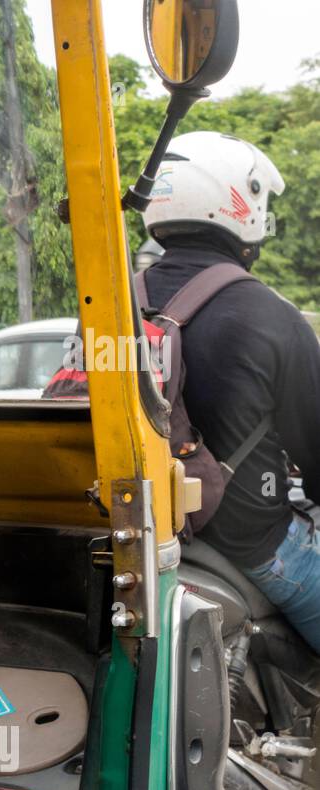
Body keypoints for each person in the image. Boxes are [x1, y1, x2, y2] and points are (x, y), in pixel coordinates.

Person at [141, 131, 320, 652]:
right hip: (251, 544)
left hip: (140, 534)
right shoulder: (271, 315)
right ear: (240, 203)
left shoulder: (112, 302)